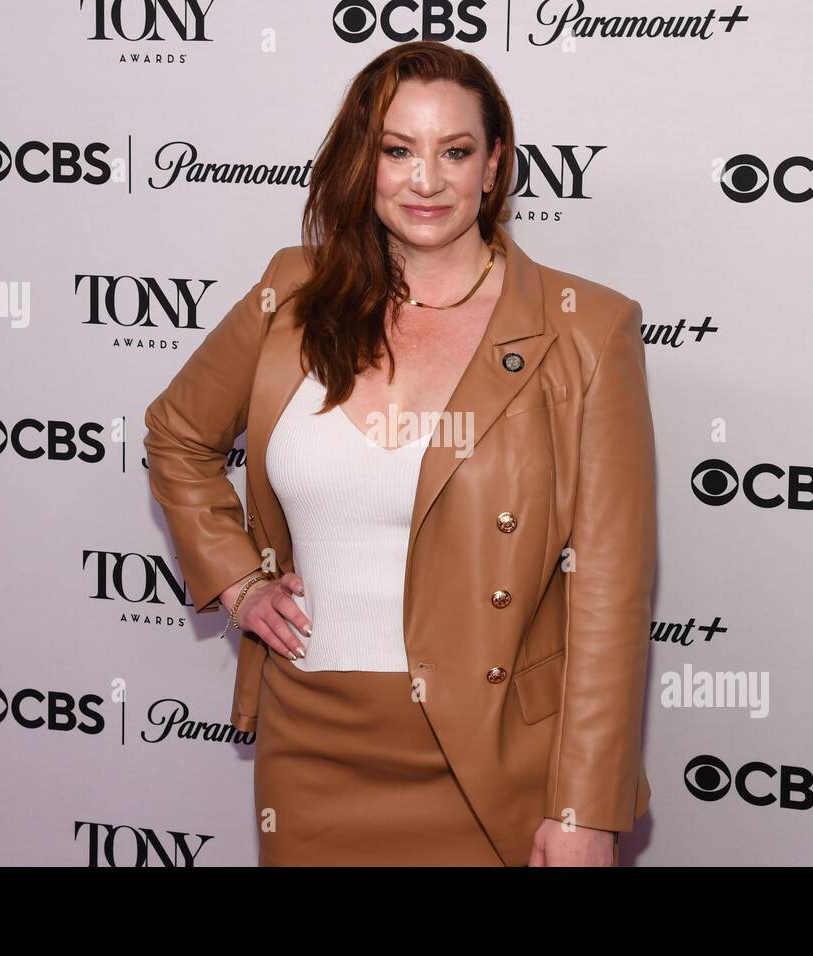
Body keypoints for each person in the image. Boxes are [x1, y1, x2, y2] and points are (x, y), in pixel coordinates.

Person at [143, 40, 657, 867]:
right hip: (309, 746)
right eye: (397, 149)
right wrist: (237, 582)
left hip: (492, 764)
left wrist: (585, 810)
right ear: (363, 161)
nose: (427, 180)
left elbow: (608, 589)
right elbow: (176, 435)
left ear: (494, 167)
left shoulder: (585, 329)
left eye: (456, 151)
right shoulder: (293, 294)